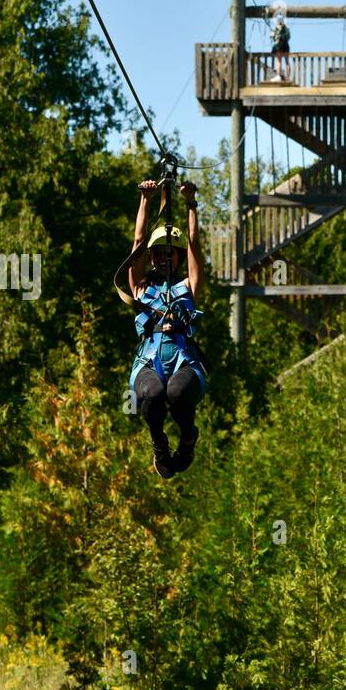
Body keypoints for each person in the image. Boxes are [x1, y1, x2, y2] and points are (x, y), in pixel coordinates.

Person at [127, 179, 206, 479]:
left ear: (177, 257)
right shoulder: (141, 288)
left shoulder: (189, 286)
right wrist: (146, 200)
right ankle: (159, 443)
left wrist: (191, 203)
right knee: (154, 392)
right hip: (149, 362)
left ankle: (187, 439)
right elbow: (136, 244)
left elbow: (195, 246)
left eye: (168, 254)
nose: (163, 259)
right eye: (158, 254)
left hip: (185, 363)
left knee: (175, 391)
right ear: (151, 257)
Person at [270, 10, 291, 81]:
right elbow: (289, 37)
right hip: (286, 46)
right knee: (287, 62)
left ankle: (278, 76)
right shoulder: (286, 28)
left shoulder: (277, 28)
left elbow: (273, 36)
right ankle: (288, 77)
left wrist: (272, 35)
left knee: (279, 61)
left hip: (279, 46)